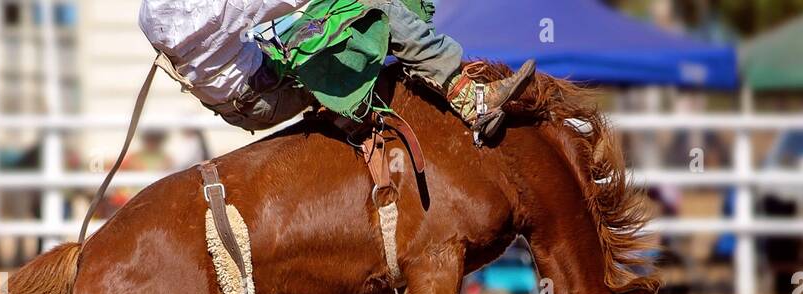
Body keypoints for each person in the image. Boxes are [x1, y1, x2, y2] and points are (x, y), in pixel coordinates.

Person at [138, 0, 535, 138]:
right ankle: (469, 98)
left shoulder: (150, 13)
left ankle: (347, 115)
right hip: (268, 95)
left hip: (238, 99)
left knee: (309, 31)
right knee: (378, 9)